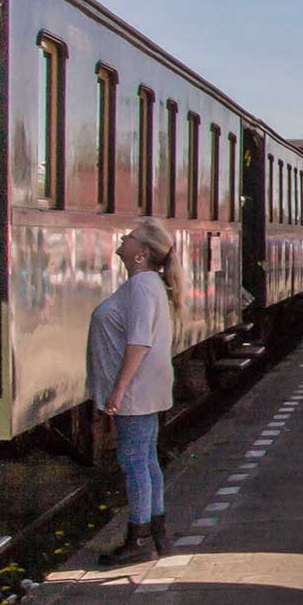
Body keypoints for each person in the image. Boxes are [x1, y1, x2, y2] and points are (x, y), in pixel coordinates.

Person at [91, 219, 181, 567]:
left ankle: (139, 539)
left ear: (141, 253)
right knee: (146, 460)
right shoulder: (147, 283)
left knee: (134, 462)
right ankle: (155, 533)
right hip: (144, 388)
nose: (122, 238)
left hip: (137, 391)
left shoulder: (142, 286)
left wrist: (118, 390)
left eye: (129, 237)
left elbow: (139, 341)